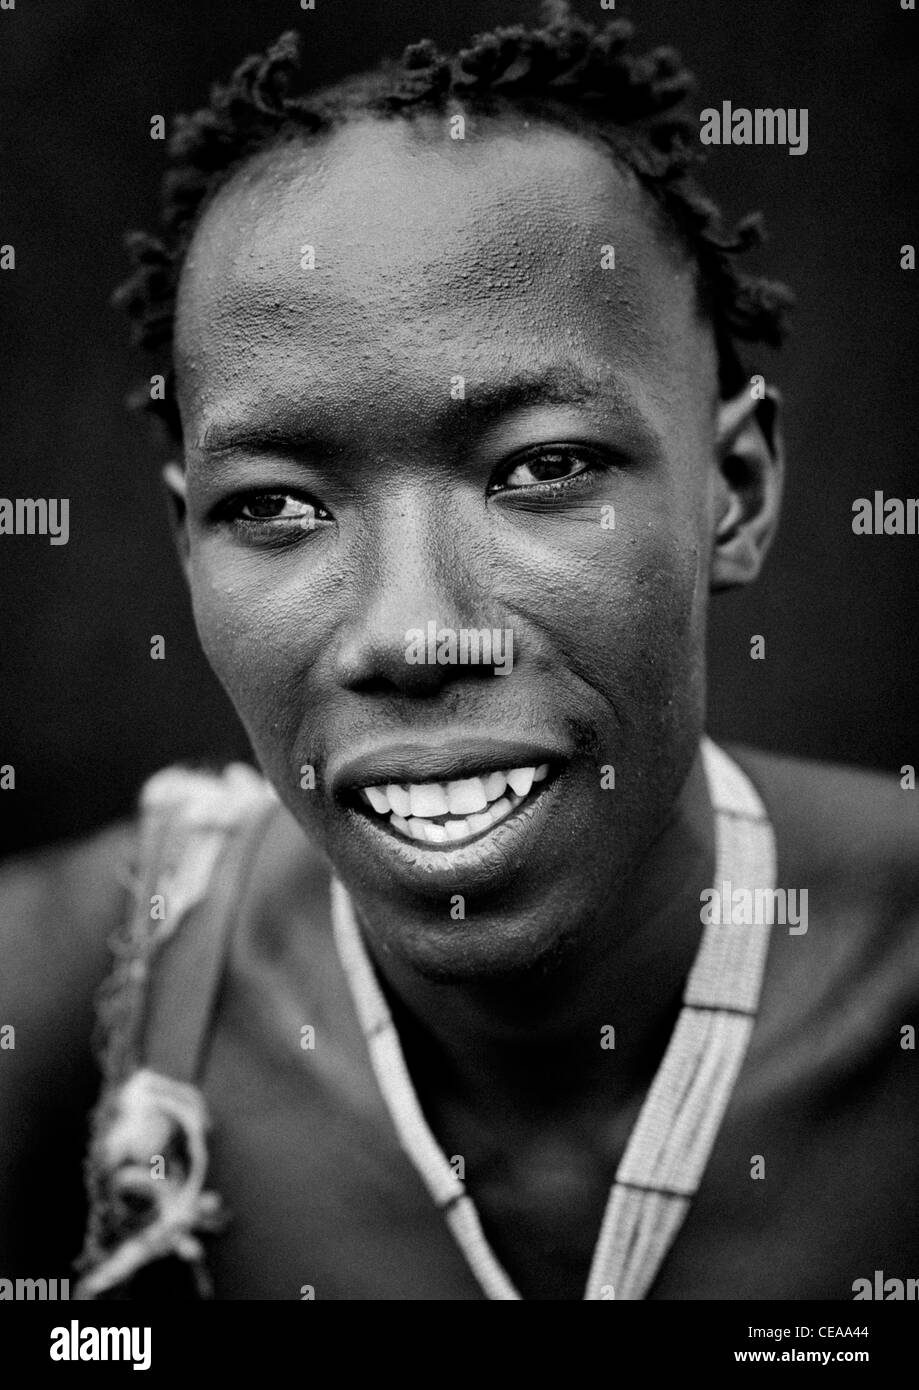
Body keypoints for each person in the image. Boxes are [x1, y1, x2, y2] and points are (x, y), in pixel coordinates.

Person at [1, 2, 916, 1302]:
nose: (407, 636)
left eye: (542, 468)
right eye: (274, 503)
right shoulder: (84, 1006)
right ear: (187, 538)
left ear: (738, 488)